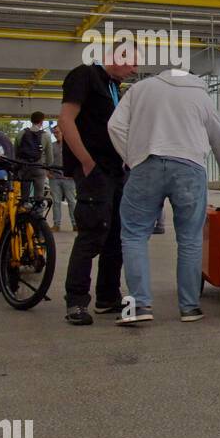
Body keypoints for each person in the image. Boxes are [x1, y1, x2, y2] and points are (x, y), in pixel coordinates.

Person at [109, 67, 220, 325]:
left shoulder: (139, 89)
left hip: (146, 164)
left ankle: (139, 306)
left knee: (134, 235)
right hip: (190, 166)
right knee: (190, 240)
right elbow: (219, 138)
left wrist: (133, 157)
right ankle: (189, 308)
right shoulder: (200, 95)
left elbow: (114, 126)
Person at [58, 52, 138, 326]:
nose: (134, 69)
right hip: (95, 168)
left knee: (116, 234)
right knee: (93, 232)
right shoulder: (85, 75)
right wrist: (85, 161)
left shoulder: (114, 86)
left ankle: (108, 296)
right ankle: (77, 301)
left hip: (117, 170)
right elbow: (66, 120)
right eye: (132, 62)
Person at [16, 111, 54, 204]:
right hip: (39, 168)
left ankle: (23, 214)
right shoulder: (46, 135)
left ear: (31, 120)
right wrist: (48, 168)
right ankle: (38, 215)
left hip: (24, 168)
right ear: (42, 121)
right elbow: (49, 156)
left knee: (24, 196)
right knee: (39, 196)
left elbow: (16, 153)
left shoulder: (21, 133)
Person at [48, 124, 78, 232]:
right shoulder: (51, 146)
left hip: (68, 178)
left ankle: (75, 224)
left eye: (57, 132)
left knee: (72, 201)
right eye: (54, 133)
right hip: (54, 178)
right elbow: (47, 160)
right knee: (56, 202)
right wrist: (47, 172)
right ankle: (56, 225)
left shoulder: (71, 145)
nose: (56, 135)